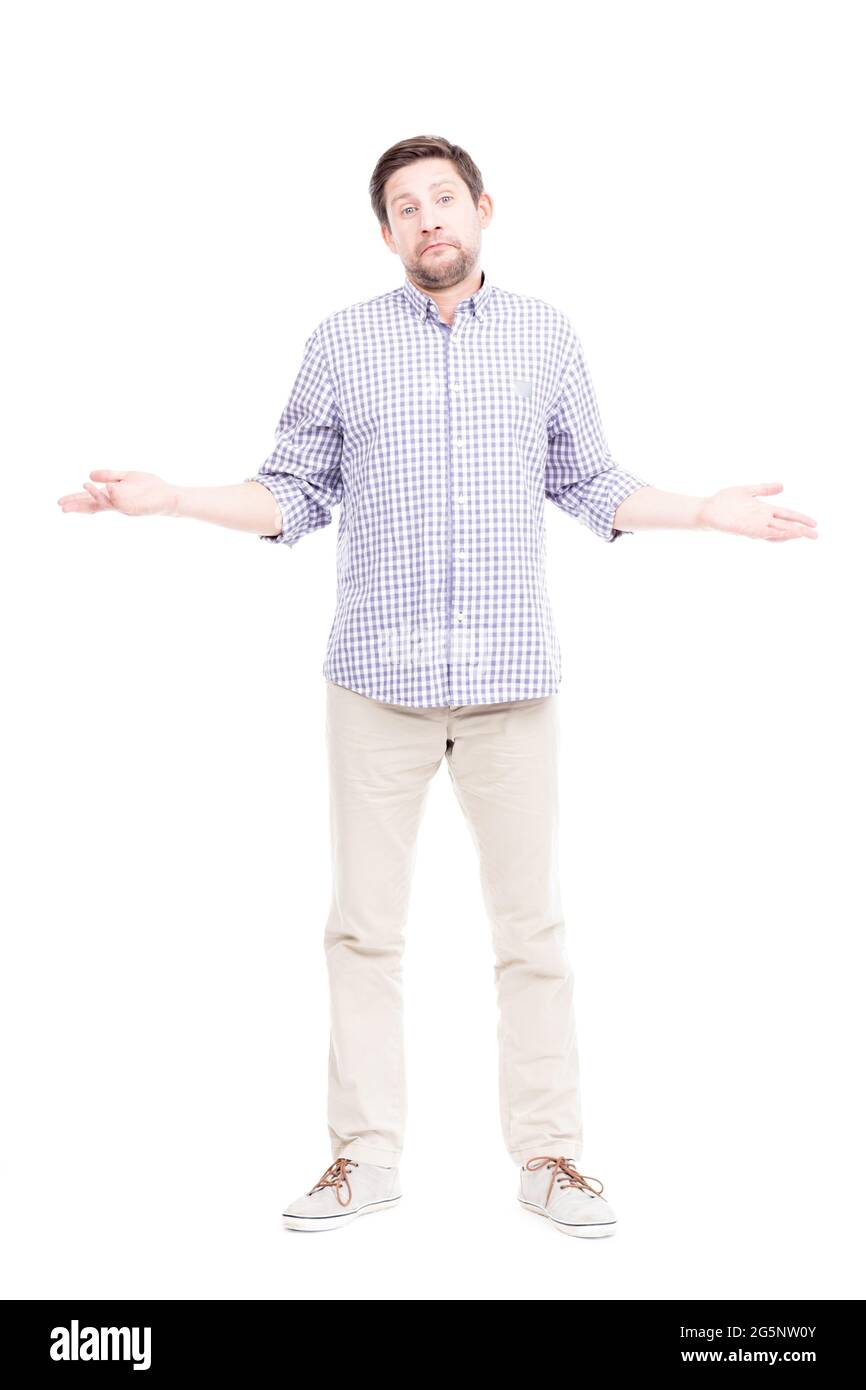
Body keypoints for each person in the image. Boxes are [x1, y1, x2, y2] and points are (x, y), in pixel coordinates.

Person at [57, 134, 819, 1241]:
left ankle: (550, 1155)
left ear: (482, 210)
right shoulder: (341, 344)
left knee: (532, 931)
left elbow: (588, 478)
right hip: (376, 683)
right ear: (384, 233)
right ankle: (362, 1158)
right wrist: (170, 496)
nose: (427, 219)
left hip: (511, 683)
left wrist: (701, 509)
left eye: (443, 199)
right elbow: (290, 493)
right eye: (404, 206)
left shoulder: (546, 337)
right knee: (362, 931)